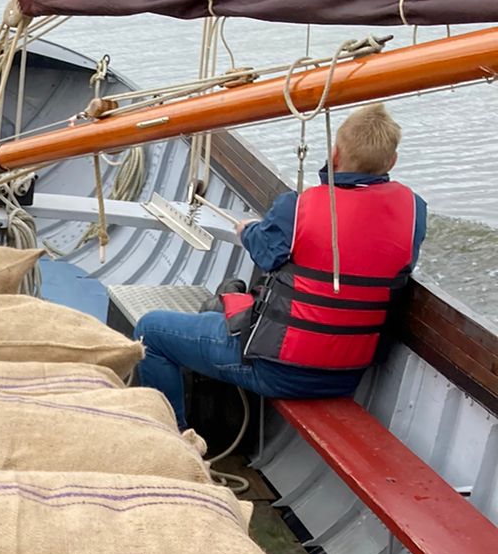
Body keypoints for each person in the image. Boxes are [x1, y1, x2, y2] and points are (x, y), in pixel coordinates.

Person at [135, 102, 427, 426]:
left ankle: (174, 441)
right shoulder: (415, 213)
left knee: (151, 331)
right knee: (231, 304)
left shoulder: (298, 207)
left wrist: (249, 232)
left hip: (279, 370)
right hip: (348, 374)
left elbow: (265, 253)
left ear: (334, 155)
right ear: (393, 161)